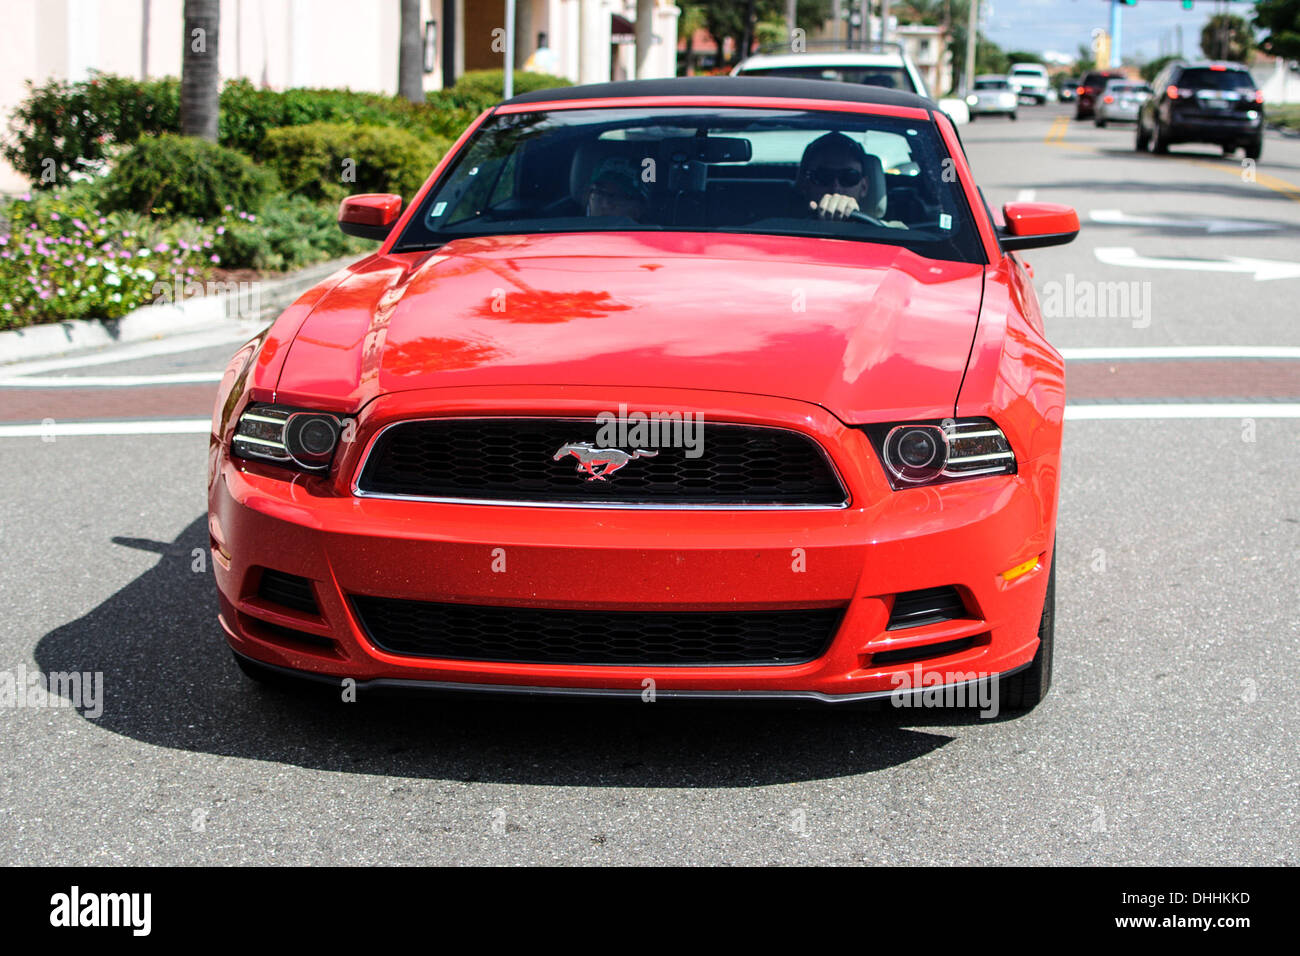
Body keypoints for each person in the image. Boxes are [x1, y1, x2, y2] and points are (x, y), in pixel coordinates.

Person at [795, 131, 883, 222]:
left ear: (864, 187)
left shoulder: (891, 232)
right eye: (823, 176)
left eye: (849, 177)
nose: (835, 188)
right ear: (804, 183)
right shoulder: (783, 228)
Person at [584, 157, 649, 221]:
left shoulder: (653, 230)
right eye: (600, 193)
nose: (606, 204)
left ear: (638, 208)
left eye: (619, 196)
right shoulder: (575, 227)